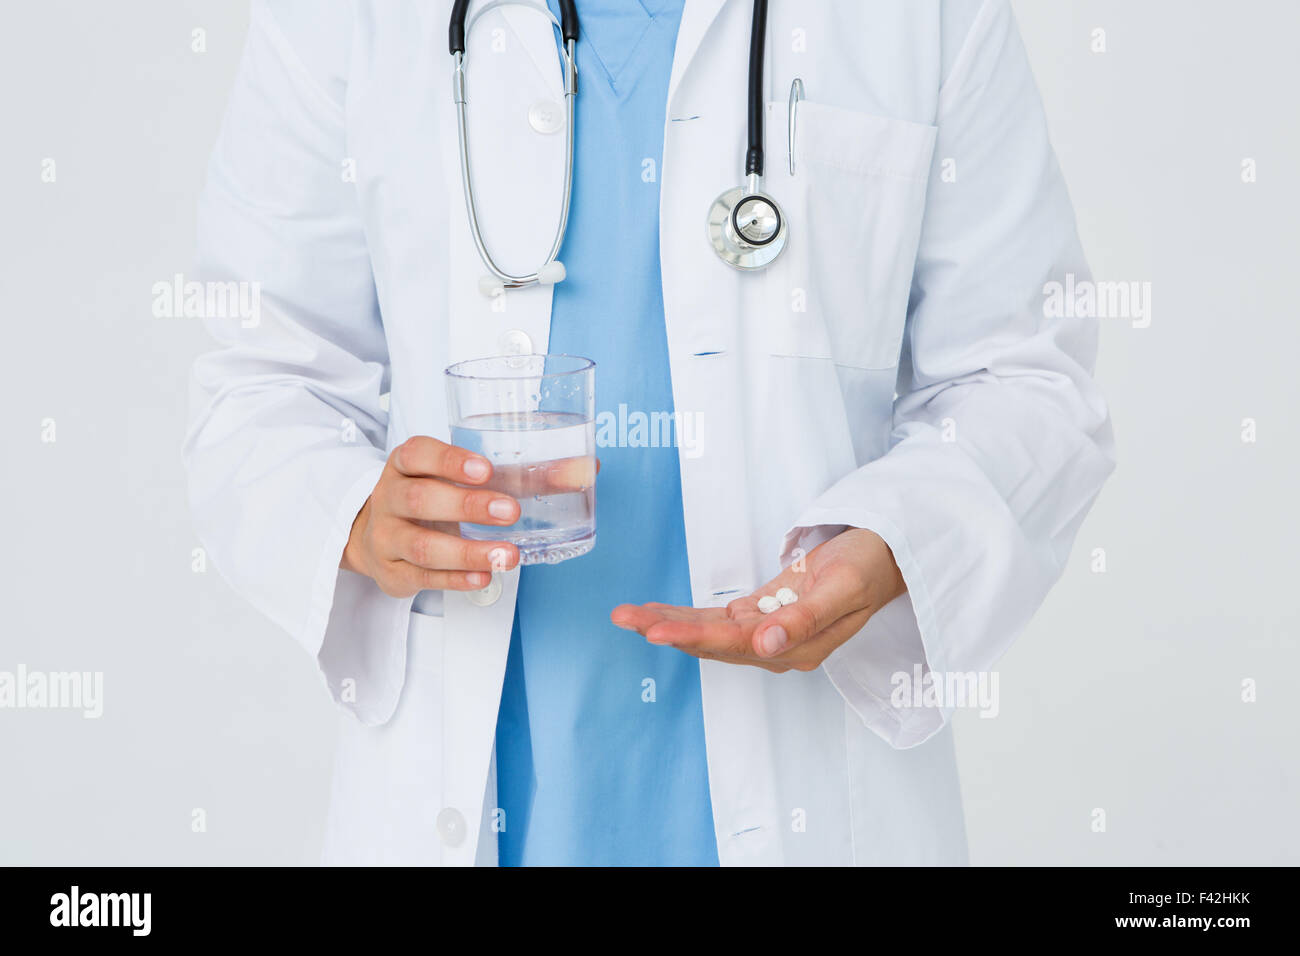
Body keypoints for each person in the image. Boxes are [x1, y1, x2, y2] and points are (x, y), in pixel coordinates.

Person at [184, 0, 1114, 866]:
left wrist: (894, 541)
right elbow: (262, 376)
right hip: (470, 794)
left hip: (812, 791)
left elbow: (1025, 377)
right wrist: (356, 517)